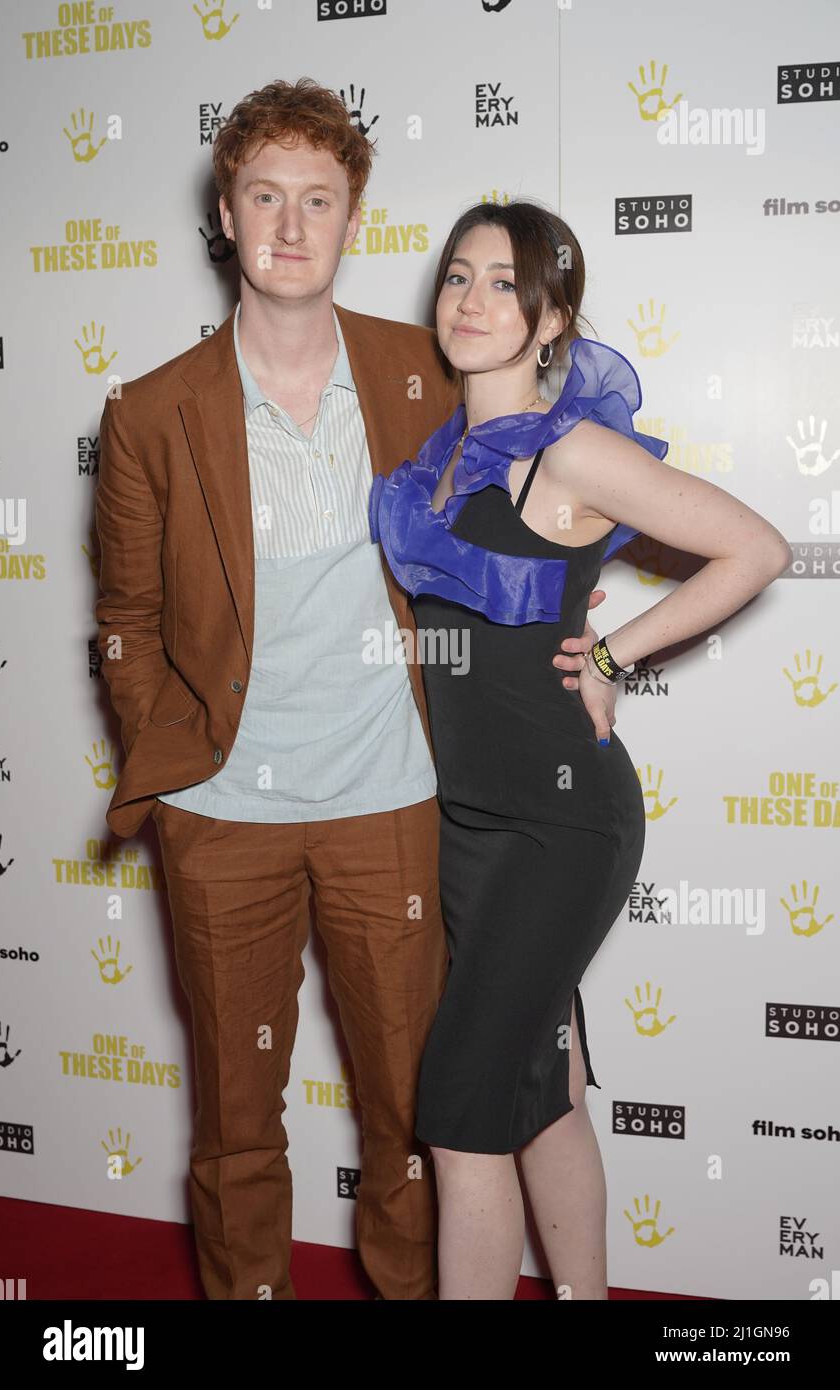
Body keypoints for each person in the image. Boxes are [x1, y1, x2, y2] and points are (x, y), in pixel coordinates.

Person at [93, 77, 601, 1301]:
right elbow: (125, 626)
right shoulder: (151, 412)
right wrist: (180, 767)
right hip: (223, 824)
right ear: (225, 210)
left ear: (351, 217)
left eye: (317, 199)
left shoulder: (422, 370)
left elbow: (557, 495)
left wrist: (593, 648)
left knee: (412, 1128)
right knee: (234, 1134)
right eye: (264, 195)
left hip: (395, 805)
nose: (288, 224)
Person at [369, 198, 793, 1300]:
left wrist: (614, 658)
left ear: (551, 315)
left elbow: (753, 546)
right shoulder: (439, 456)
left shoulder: (570, 450)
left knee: (462, 1119)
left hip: (563, 825)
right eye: (456, 275)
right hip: (467, 826)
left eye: (502, 283)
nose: (468, 299)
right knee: (538, 1089)